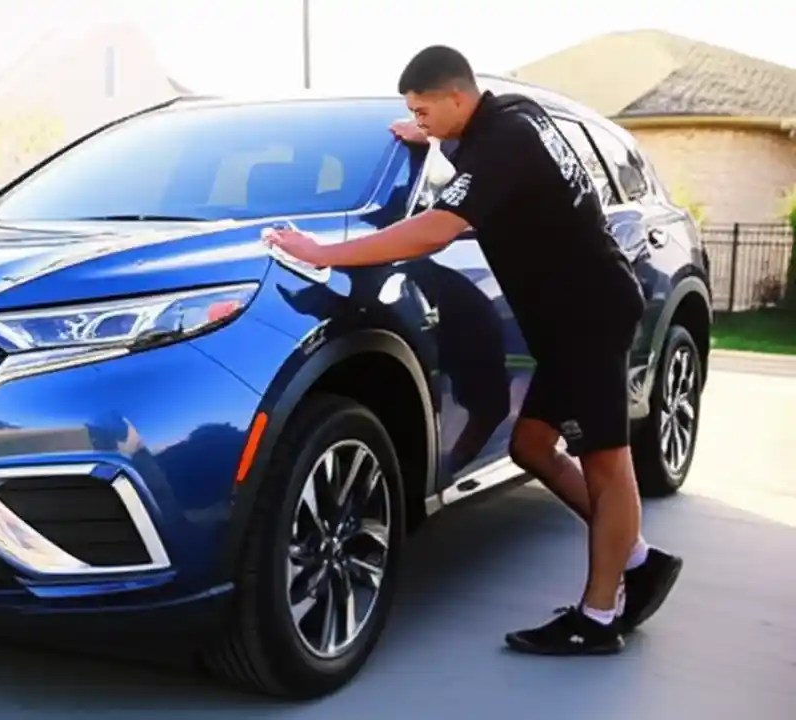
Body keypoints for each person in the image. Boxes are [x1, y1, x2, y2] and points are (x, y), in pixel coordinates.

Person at [263, 45, 683, 656]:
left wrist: (323, 253)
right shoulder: (510, 115)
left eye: (423, 109)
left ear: (457, 97)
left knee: (606, 461)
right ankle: (637, 559)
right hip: (572, 315)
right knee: (531, 445)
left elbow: (436, 228)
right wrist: (434, 137)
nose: (419, 120)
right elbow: (482, 163)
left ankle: (598, 617)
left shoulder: (503, 142)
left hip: (587, 315)